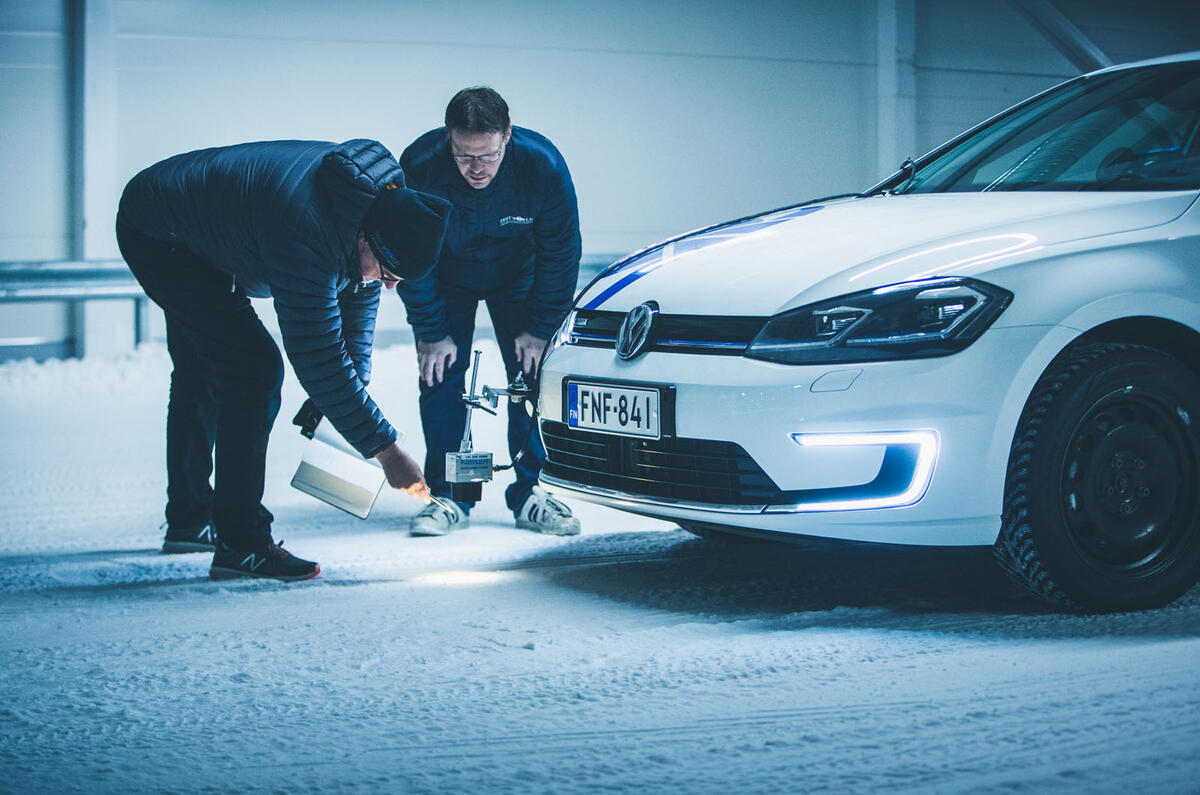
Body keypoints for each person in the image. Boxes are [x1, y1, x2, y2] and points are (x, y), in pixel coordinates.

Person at [116, 139, 452, 580]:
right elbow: (318, 356)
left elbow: (356, 313)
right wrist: (387, 453)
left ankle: (189, 518)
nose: (387, 287)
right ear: (367, 239)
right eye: (388, 274)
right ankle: (241, 544)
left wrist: (347, 393)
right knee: (253, 369)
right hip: (160, 231)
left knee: (205, 365)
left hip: (201, 226)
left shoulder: (381, 210)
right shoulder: (306, 229)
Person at [398, 87, 582, 537]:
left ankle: (531, 493)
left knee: (531, 376)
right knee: (439, 374)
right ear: (448, 141)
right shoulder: (419, 166)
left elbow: (561, 251)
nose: (476, 169)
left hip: (518, 278)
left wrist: (540, 328)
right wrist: (430, 329)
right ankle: (448, 496)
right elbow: (407, 251)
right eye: (464, 157)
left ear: (509, 137)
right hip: (443, 278)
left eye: (488, 156)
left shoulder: (543, 166)